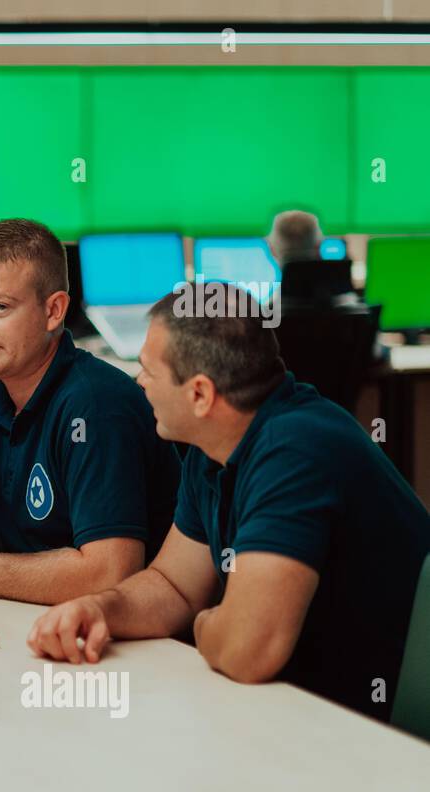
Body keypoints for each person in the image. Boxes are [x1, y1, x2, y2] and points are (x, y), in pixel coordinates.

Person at [28, 283, 430, 721]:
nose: (139, 382)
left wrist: (205, 622)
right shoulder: (211, 447)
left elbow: (246, 650)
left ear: (200, 394)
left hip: (384, 735)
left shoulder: (295, 451)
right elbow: (174, 587)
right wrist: (98, 608)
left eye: (148, 370)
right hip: (307, 708)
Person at [0, 220, 180, 605]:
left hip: (131, 650)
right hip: (28, 631)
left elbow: (112, 573)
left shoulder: (96, 405)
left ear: (54, 311)